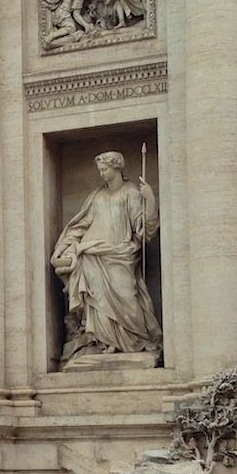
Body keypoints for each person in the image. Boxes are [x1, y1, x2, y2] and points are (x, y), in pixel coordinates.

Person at [50, 150, 162, 363]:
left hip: (121, 254)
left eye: (104, 169)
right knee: (96, 298)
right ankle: (104, 342)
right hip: (93, 255)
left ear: (116, 168)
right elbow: (81, 225)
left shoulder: (131, 193)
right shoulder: (97, 196)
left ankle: (132, 340)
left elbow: (145, 230)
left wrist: (151, 201)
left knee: (127, 296)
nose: (101, 174)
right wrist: (64, 247)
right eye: (99, 170)